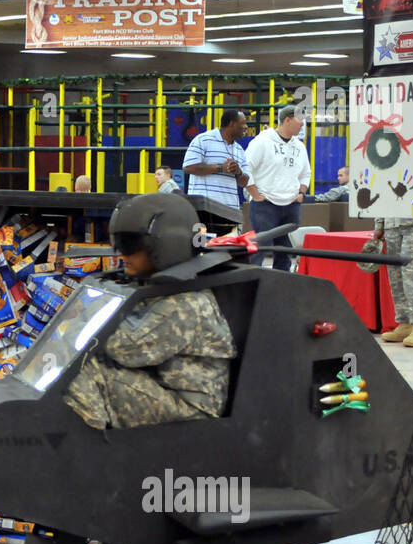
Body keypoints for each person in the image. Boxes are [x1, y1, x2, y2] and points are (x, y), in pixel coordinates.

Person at [64, 194, 236, 430]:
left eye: (130, 246)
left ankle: (85, 450)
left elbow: (124, 349)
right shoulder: (161, 287)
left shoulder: (187, 302)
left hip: (192, 413)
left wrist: (81, 319)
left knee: (86, 372)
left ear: (166, 246)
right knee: (80, 362)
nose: (122, 255)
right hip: (162, 388)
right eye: (119, 245)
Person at [244, 105, 310, 272]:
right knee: (260, 247)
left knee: (285, 249)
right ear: (287, 120)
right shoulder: (262, 141)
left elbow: (306, 173)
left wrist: (301, 193)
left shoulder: (300, 146)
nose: (303, 124)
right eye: (300, 120)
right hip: (266, 204)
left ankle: (282, 283)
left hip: (291, 204)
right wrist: (255, 195)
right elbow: (245, 168)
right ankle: (252, 281)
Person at [376, 216, 413, 348]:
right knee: (395, 277)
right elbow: (381, 196)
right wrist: (379, 225)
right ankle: (405, 323)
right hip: (392, 225)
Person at [182, 109, 250, 208]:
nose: (246, 127)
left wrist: (238, 172)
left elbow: (245, 182)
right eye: (243, 123)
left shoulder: (239, 150)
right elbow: (188, 167)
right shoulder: (203, 140)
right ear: (232, 124)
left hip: (229, 210)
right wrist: (220, 168)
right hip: (204, 209)